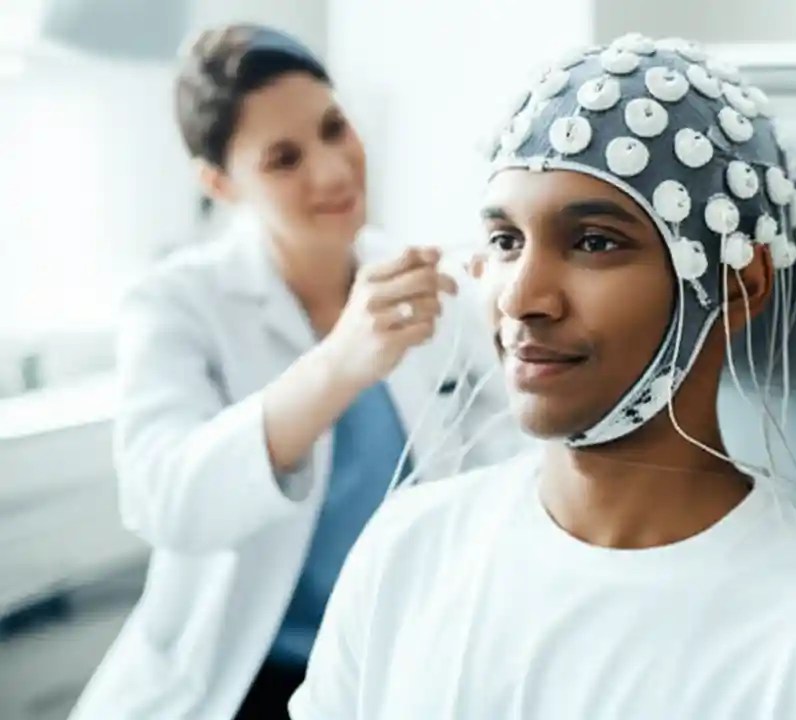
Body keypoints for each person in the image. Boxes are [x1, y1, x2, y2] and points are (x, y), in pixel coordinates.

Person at [290, 34, 796, 719]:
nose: (521, 298)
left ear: (738, 283)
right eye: (506, 241)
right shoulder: (407, 553)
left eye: (594, 242)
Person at [70, 24, 524, 720]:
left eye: (334, 128)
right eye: (284, 159)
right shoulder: (176, 302)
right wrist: (338, 364)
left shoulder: (434, 285)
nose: (334, 171)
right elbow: (163, 500)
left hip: (393, 673)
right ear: (220, 182)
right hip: (243, 678)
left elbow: (509, 461)